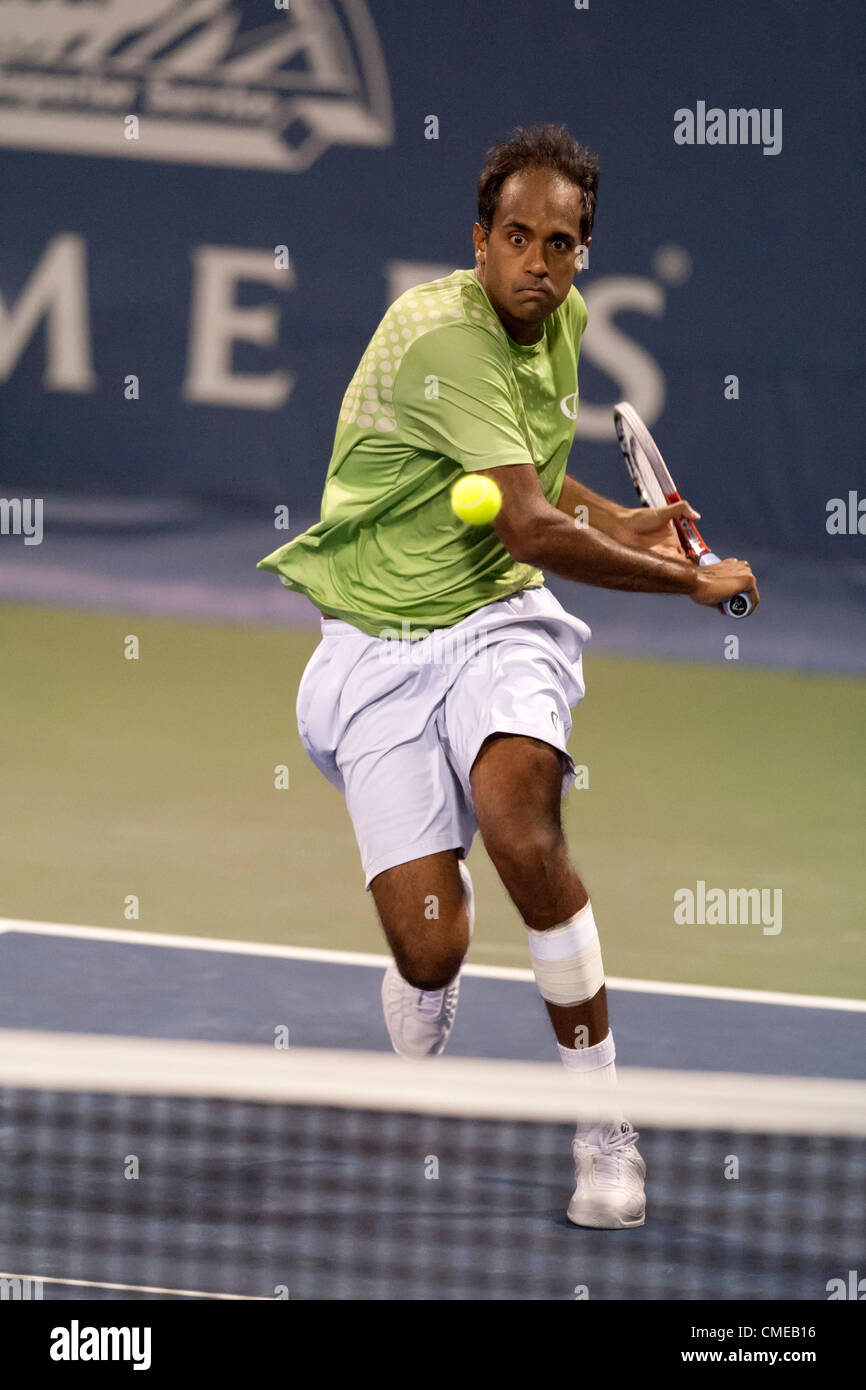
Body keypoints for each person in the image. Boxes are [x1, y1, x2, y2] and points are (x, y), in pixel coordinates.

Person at [258, 123, 759, 1228]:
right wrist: (679, 580)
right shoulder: (439, 337)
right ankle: (425, 960)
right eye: (519, 238)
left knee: (523, 825)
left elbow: (525, 483)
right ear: (477, 240)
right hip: (379, 644)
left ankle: (603, 1134)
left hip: (495, 618)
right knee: (430, 945)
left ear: (582, 252)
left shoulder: (559, 319)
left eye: (564, 243)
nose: (542, 263)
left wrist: (610, 513)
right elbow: (526, 523)